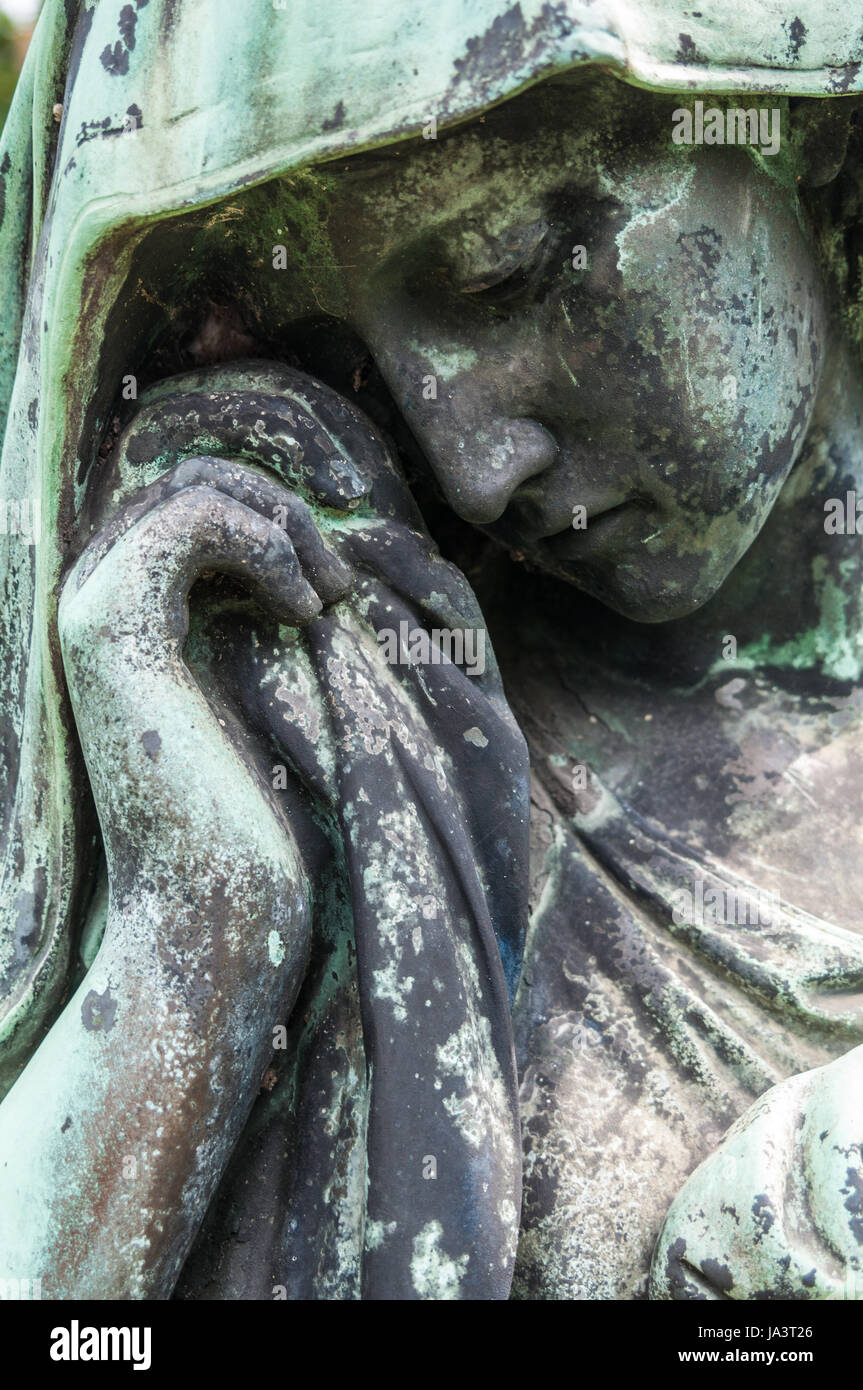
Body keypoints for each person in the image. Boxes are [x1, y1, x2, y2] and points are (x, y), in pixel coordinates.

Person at [1, 0, 863, 1301]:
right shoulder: (386, 770)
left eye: (501, 271)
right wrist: (196, 933)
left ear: (792, 131)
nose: (466, 466)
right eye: (341, 364)